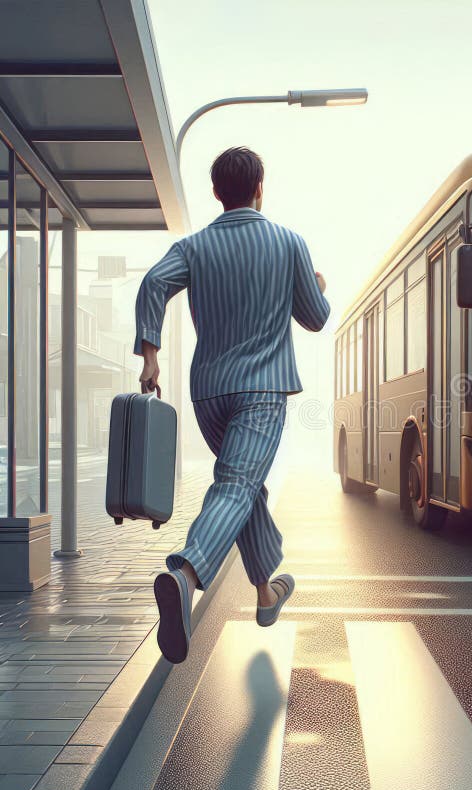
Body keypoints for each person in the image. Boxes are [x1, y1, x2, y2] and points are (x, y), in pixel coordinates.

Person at [133, 146, 329, 664]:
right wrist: (317, 287)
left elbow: (154, 282)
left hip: (210, 392)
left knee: (242, 487)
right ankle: (187, 575)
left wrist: (150, 356)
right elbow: (316, 318)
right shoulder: (288, 243)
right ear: (260, 186)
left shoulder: (195, 246)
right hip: (262, 391)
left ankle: (265, 591)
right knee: (238, 485)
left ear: (217, 192)